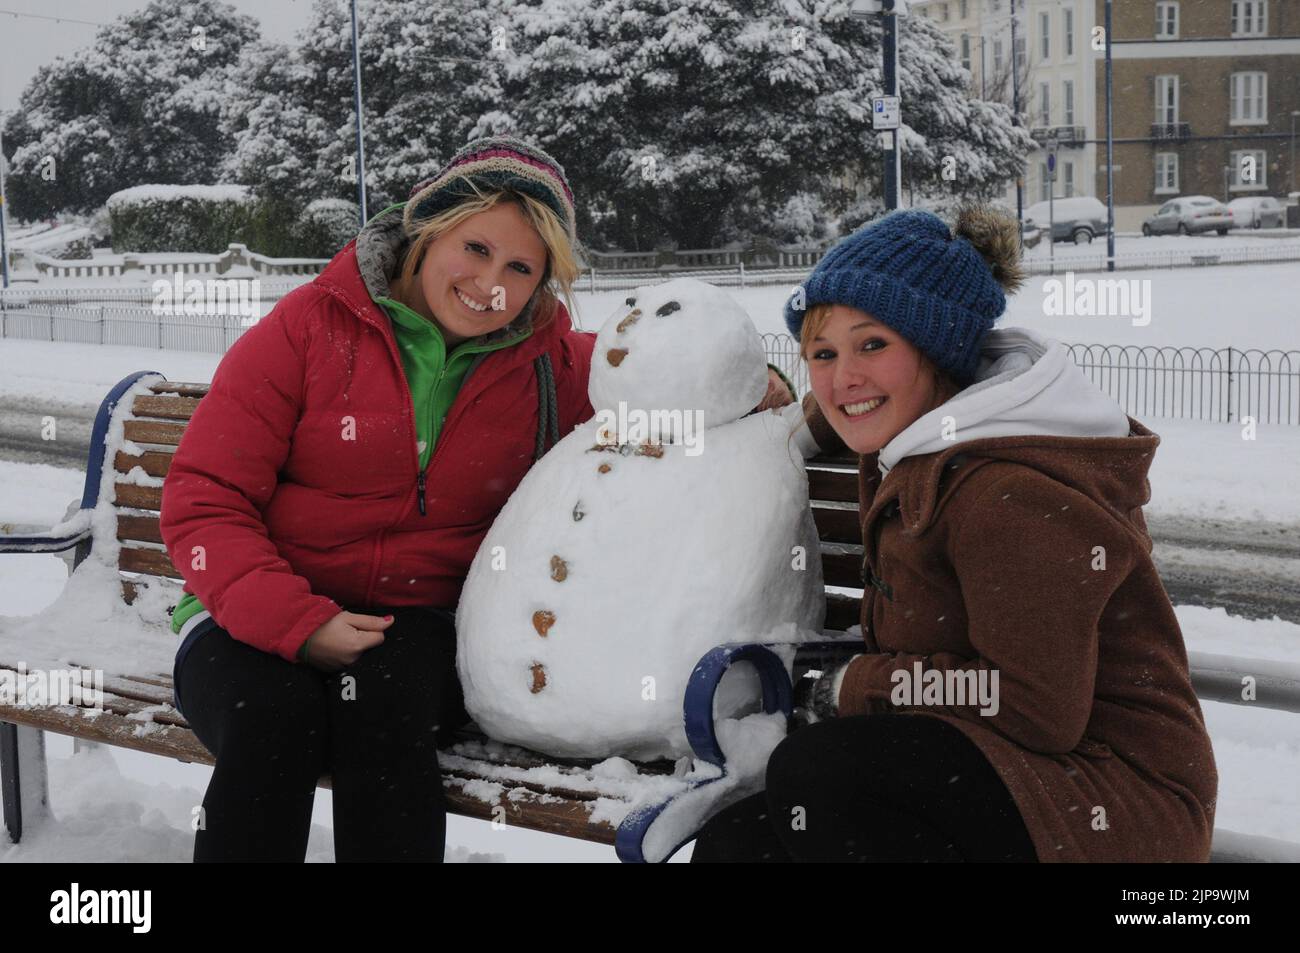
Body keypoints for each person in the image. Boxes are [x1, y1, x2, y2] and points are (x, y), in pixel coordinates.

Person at [691, 206, 1218, 863]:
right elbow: (839, 404)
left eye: (872, 343)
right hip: (996, 772)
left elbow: (1031, 706)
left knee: (817, 772)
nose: (841, 377)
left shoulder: (1009, 493)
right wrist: (764, 403)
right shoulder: (920, 431)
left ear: (937, 349)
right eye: (821, 353)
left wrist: (859, 685)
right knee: (734, 844)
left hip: (1115, 797)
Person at [161, 136, 598, 862]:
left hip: (420, 626)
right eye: (476, 247)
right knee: (274, 714)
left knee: (384, 707)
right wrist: (301, 623)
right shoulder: (308, 327)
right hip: (247, 615)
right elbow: (205, 498)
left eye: (521, 268)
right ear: (428, 232)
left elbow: (663, 366)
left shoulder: (550, 363)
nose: (491, 282)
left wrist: (758, 389)